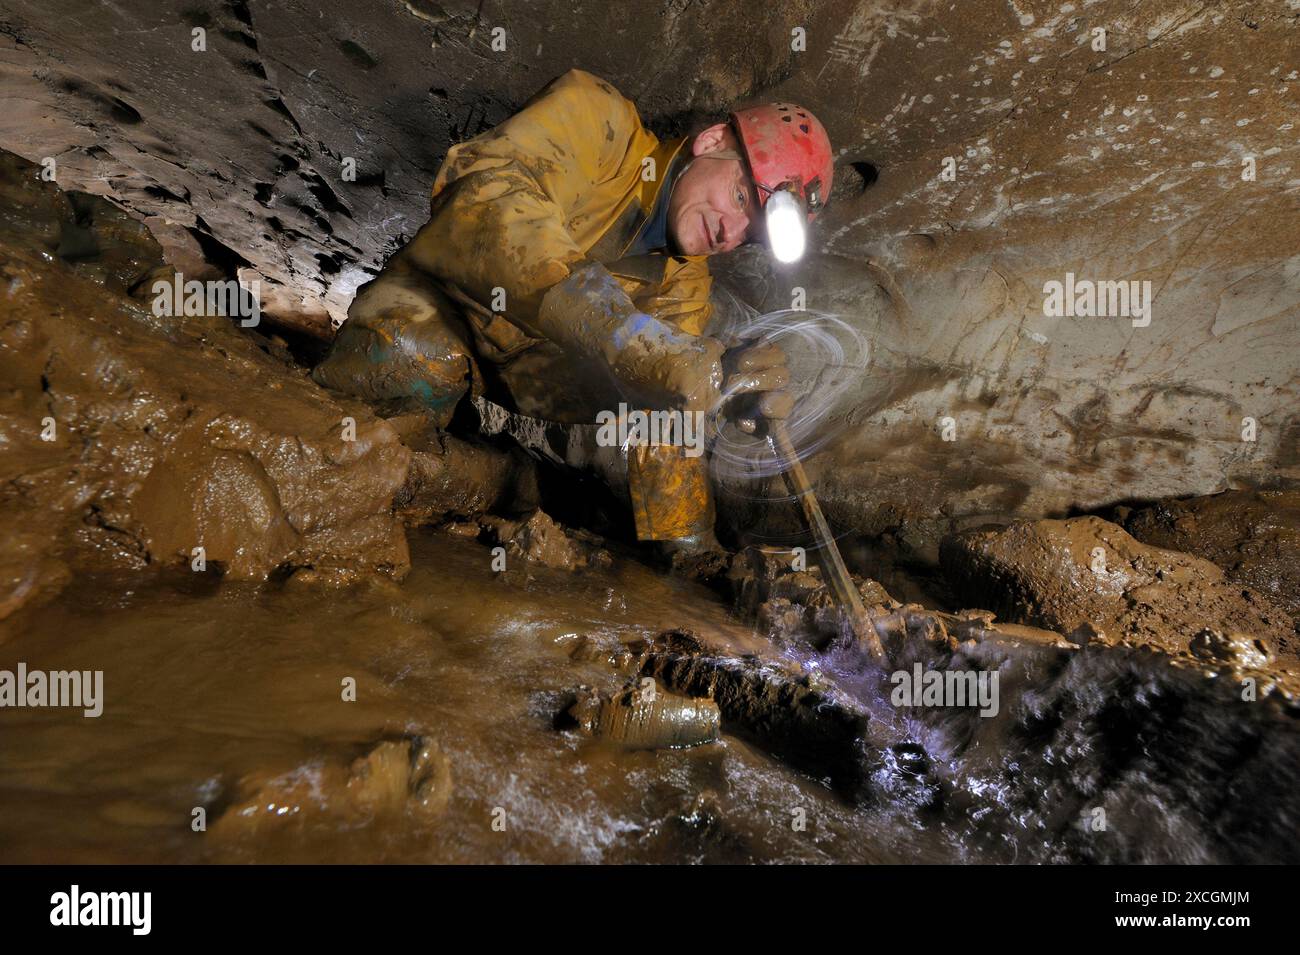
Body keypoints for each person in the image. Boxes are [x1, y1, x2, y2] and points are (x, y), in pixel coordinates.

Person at [313, 69, 833, 555]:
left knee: (662, 402)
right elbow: (487, 194)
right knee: (401, 360)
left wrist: (715, 394)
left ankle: (477, 465)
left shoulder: (685, 290)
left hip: (515, 385)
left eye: (752, 235)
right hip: (439, 305)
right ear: (712, 141)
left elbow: (662, 418)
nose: (730, 233)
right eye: (742, 197)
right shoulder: (599, 121)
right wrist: (622, 333)